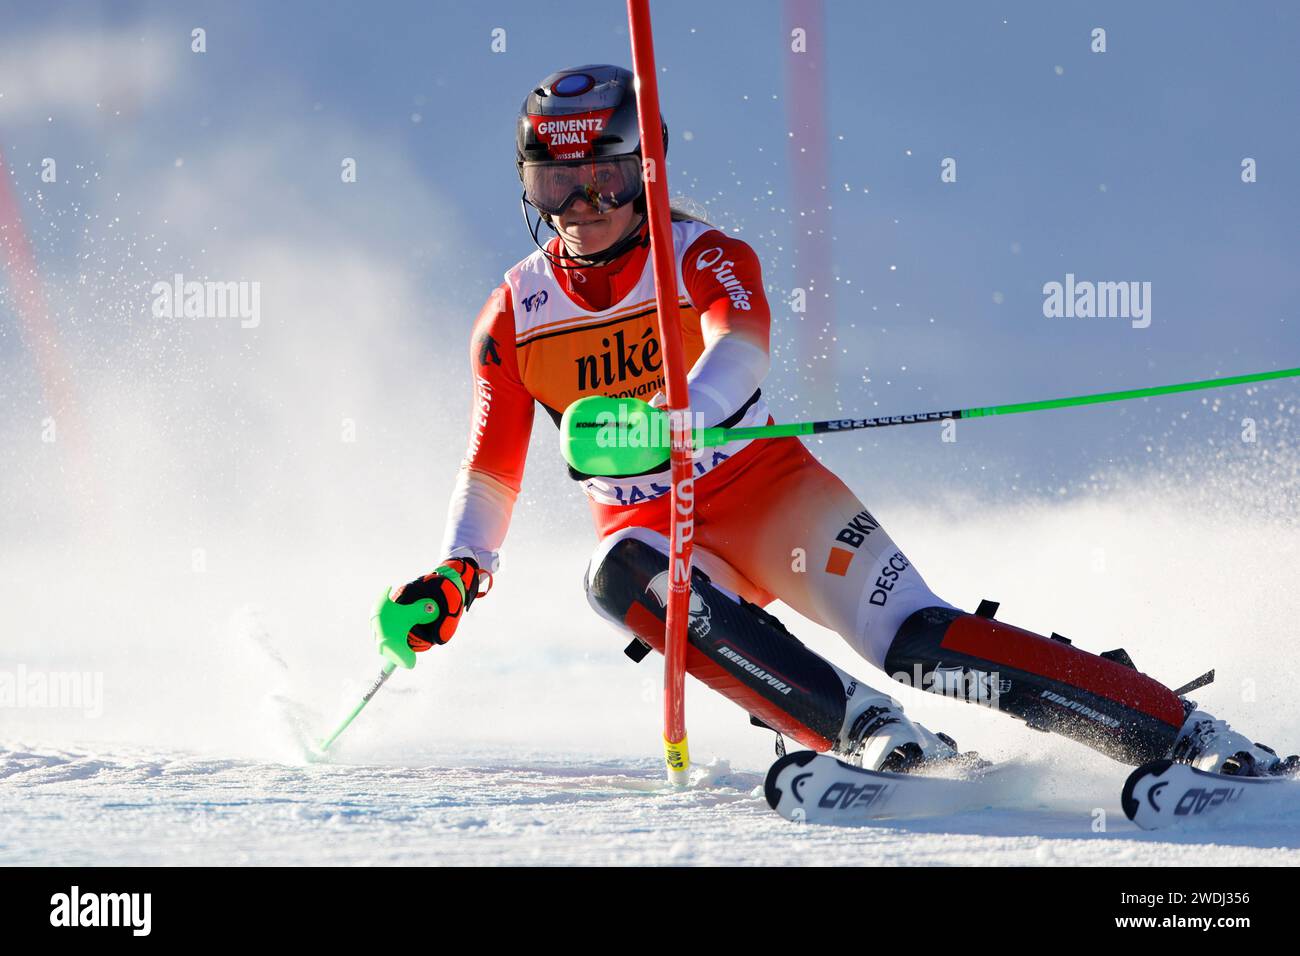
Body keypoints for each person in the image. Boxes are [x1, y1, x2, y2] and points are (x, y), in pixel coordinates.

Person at [388, 64, 1295, 777]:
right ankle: (867, 733)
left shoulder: (704, 254)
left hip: (769, 495)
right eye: (558, 186)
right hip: (662, 539)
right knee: (616, 572)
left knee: (921, 642)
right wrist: (458, 575)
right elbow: (490, 471)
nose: (583, 212)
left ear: (647, 172)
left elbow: (740, 352)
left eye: (607, 180)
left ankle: (1185, 732)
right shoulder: (516, 315)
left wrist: (678, 420)